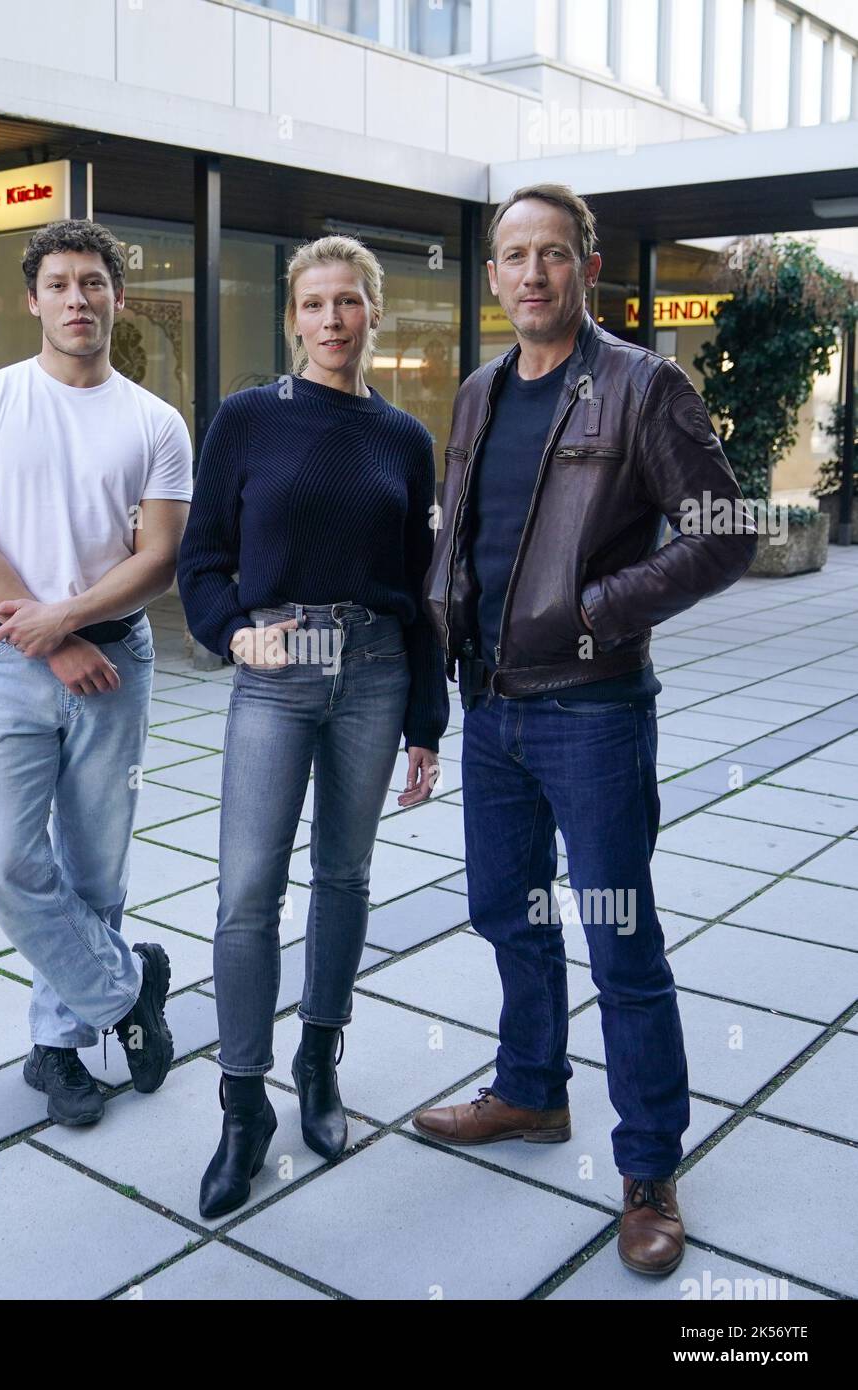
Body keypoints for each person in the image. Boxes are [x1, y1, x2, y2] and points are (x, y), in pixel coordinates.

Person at [417, 184, 756, 1274]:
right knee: (504, 912)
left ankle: (649, 1164)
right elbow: (467, 539)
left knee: (617, 938)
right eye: (512, 256)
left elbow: (723, 530)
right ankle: (529, 1090)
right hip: (493, 706)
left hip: (593, 711)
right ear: (493, 274)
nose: (530, 275)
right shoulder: (474, 393)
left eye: (550, 255)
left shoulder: (642, 386)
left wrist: (602, 609)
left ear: (585, 268)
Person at [179, 235, 449, 1219]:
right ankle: (242, 1104)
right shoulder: (247, 420)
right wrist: (228, 634)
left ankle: (319, 1063)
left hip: (375, 673)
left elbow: (423, 594)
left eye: (350, 301)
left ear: (375, 313)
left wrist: (428, 716)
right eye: (315, 302)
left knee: (344, 877)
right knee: (247, 892)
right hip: (279, 674)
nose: (332, 319)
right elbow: (201, 558)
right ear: (292, 316)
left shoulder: (404, 440)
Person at [0, 219, 193, 1126]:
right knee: (8, 863)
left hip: (116, 665)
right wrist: (52, 640)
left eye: (93, 282)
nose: (77, 299)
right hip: (5, 665)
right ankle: (129, 989)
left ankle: (58, 1048)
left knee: (94, 869)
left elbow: (158, 558)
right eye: (59, 284)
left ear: (115, 296)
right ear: (32, 299)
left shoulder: (155, 422)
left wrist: (74, 622)